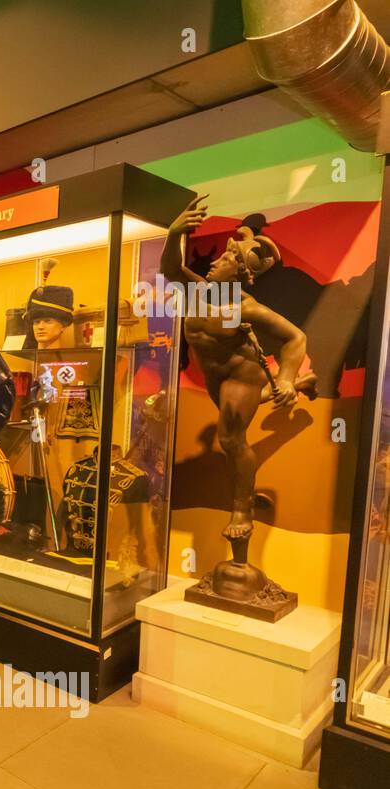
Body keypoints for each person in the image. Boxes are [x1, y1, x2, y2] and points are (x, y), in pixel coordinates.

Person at [161, 194, 311, 545]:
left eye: (227, 259)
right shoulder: (198, 291)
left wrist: (285, 375)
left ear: (242, 273)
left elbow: (295, 338)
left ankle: (241, 508)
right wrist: (172, 234)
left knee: (231, 438)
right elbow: (169, 269)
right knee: (233, 417)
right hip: (215, 377)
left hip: (240, 375)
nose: (215, 262)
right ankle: (304, 384)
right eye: (222, 255)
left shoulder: (246, 308)